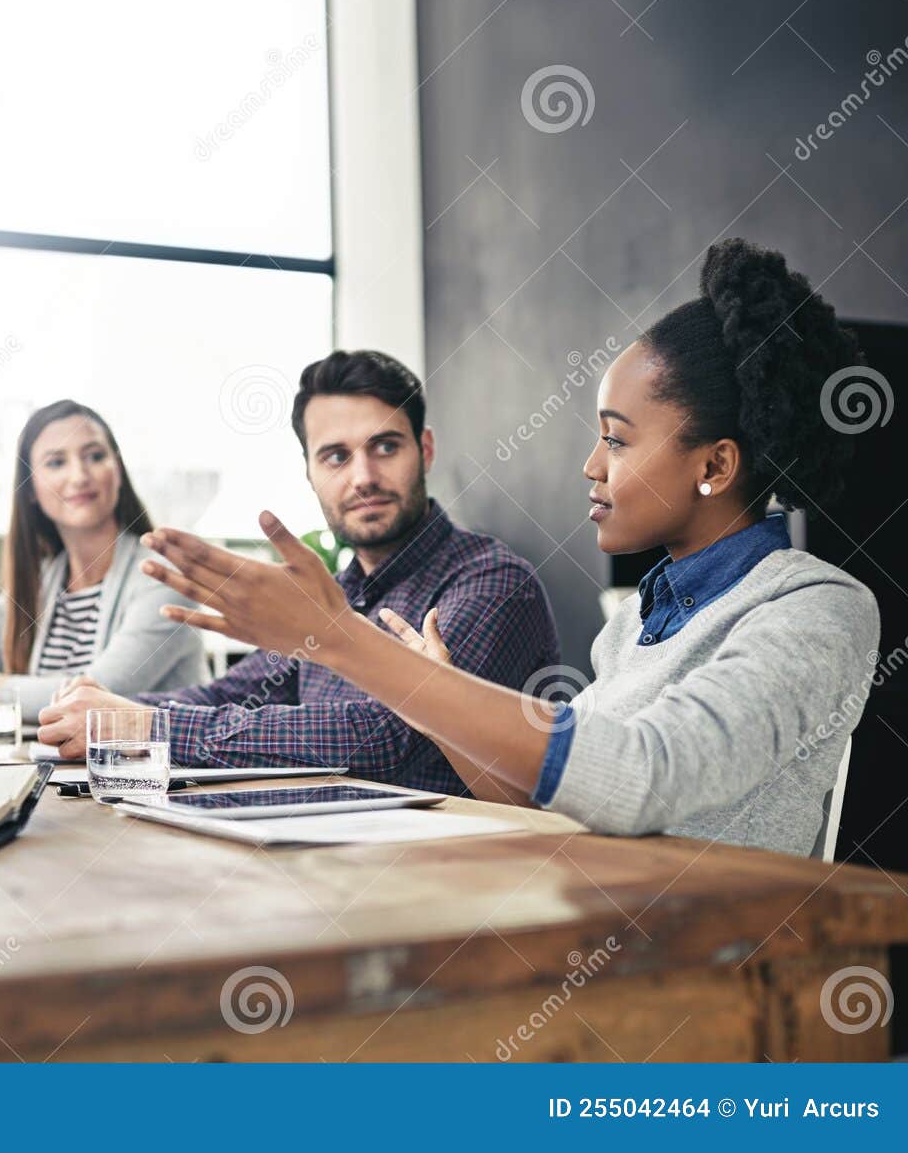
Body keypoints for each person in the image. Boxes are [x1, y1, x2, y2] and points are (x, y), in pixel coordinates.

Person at [139, 239, 878, 856]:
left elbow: (644, 776)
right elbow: (547, 805)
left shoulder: (820, 610)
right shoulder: (633, 624)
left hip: (700, 977)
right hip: (592, 929)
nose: (591, 466)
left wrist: (341, 642)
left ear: (714, 466)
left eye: (616, 440)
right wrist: (433, 695)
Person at [38, 351, 562, 796]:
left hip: (462, 883)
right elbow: (233, 694)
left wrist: (147, 727)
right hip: (333, 862)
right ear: (310, 473)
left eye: (385, 447)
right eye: (336, 456)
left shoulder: (493, 583)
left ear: (423, 450)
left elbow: (391, 740)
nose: (363, 477)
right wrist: (105, 712)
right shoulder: (338, 593)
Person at [0, 400, 207, 722]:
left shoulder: (163, 575)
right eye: (56, 462)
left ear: (118, 470)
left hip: (149, 769)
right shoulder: (40, 583)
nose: (80, 475)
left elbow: (101, 695)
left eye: (95, 456)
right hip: (56, 768)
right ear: (30, 489)